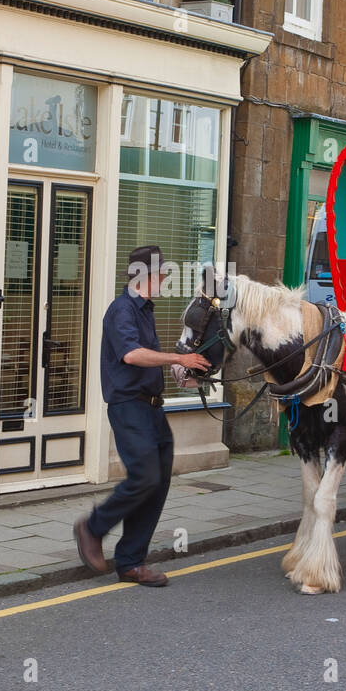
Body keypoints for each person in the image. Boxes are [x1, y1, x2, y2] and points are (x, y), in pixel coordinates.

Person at [73, 246, 210, 586]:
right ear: (145, 276)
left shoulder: (145, 310)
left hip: (153, 407)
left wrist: (185, 374)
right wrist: (178, 360)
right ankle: (92, 527)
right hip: (128, 406)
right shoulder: (121, 310)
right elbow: (133, 355)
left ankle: (131, 562)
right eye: (162, 274)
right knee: (145, 477)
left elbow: (151, 357)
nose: (165, 279)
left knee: (158, 484)